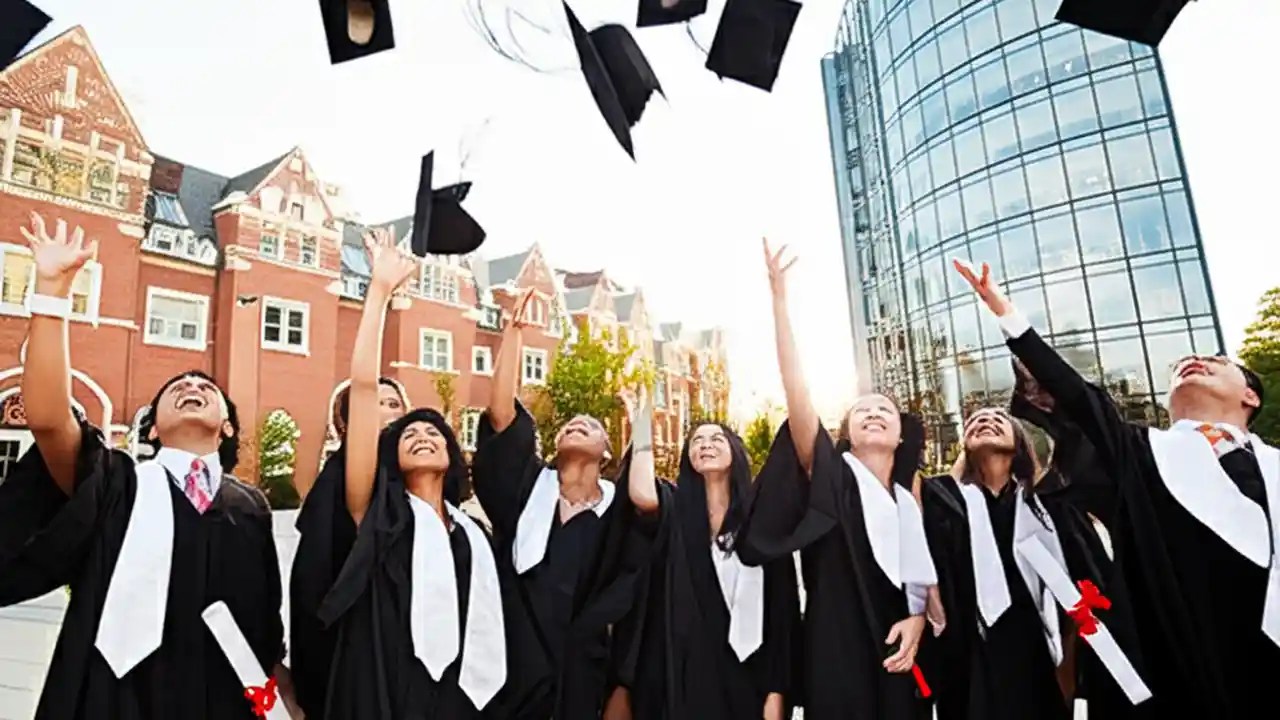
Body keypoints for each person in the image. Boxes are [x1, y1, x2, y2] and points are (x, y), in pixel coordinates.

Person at [953, 258, 1278, 717]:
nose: (1194, 363)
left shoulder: (1276, 469)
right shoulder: (1143, 454)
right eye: (1181, 367)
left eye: (1216, 362)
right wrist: (1009, 317)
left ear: (1250, 396)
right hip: (1172, 661)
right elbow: (1077, 397)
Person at [0, 212, 287, 718]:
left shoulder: (251, 507)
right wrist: (51, 292)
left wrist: (280, 702)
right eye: (176, 389)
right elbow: (47, 418)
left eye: (207, 388)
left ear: (227, 427)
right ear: (152, 429)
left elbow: (263, 624)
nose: (192, 386)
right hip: (115, 697)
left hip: (221, 699)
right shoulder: (116, 479)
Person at [736, 239, 935, 720]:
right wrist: (780, 304)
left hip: (898, 638)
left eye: (883, 411)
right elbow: (797, 394)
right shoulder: (832, 477)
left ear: (899, 434)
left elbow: (923, 578)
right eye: (861, 411)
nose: (872, 414)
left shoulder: (911, 499)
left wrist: (918, 620)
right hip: (835, 637)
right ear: (844, 433)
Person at [312, 227, 506, 718]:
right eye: (408, 434)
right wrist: (379, 292)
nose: (421, 434)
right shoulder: (375, 510)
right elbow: (360, 390)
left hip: (462, 696)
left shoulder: (473, 533)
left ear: (453, 456)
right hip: (387, 686)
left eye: (434, 433)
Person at [471, 289, 652, 719]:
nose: (577, 425)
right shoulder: (530, 491)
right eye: (570, 424)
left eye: (590, 426)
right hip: (517, 673)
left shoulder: (616, 511)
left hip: (589, 682)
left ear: (608, 452)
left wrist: (640, 416)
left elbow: (645, 495)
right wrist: (511, 336)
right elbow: (501, 420)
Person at [919, 408, 1137, 719]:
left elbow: (1090, 573)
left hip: (1038, 648)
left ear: (1020, 443)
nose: (985, 420)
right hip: (970, 652)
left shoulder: (1050, 506)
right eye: (975, 421)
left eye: (999, 419)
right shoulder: (940, 501)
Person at [618, 388, 801, 719]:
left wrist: (777, 691)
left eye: (717, 438)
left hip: (750, 675)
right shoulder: (676, 511)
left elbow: (782, 608)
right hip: (689, 676)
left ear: (735, 451)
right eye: (697, 440)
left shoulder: (760, 521)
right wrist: (641, 425)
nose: (705, 444)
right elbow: (641, 493)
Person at [289, 372, 409, 717]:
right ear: (345, 421)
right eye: (373, 404)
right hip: (343, 638)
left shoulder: (419, 478)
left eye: (393, 404)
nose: (385, 411)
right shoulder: (345, 477)